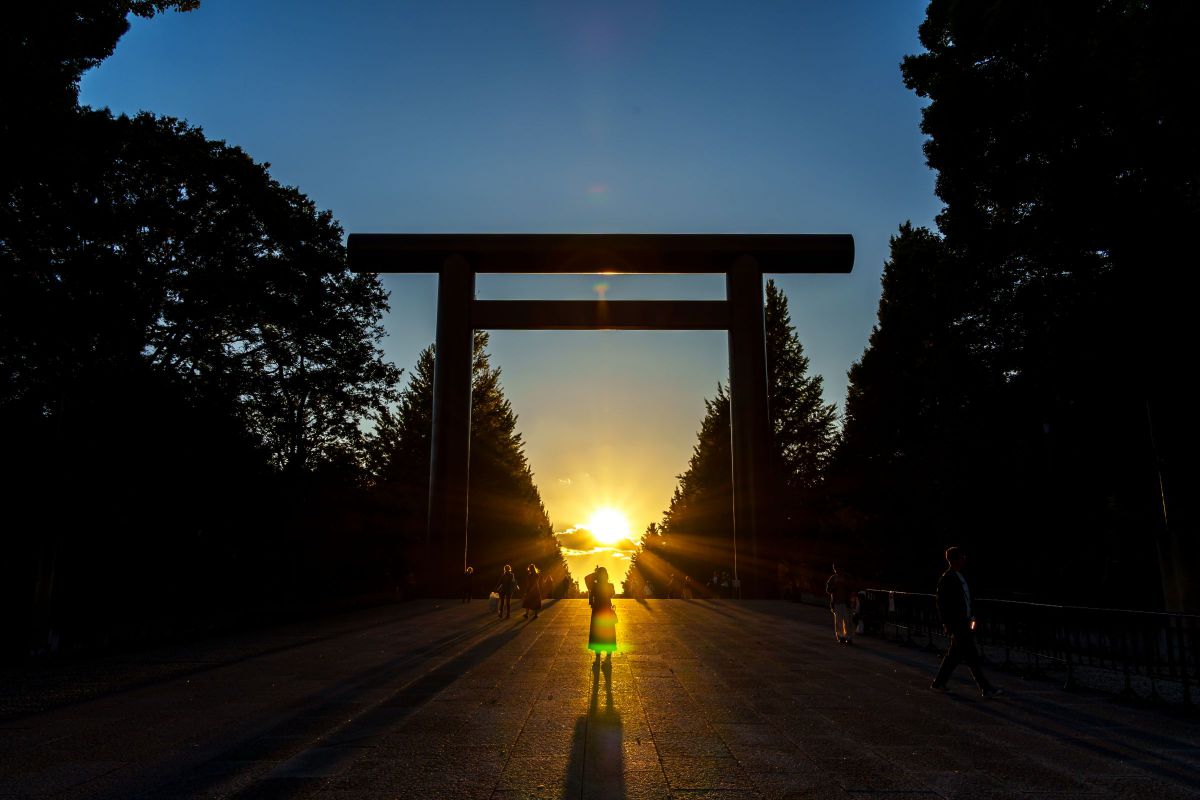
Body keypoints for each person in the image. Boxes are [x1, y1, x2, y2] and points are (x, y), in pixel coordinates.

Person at [931, 547, 1002, 698]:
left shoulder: (954, 577)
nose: (964, 559)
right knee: (970, 655)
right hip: (958, 623)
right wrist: (948, 623)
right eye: (962, 557)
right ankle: (985, 687)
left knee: (956, 655)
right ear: (956, 559)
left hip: (962, 622)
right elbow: (942, 603)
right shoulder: (950, 578)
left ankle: (939, 683)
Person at [586, 565, 617, 663]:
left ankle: (598, 656)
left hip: (597, 611)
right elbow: (612, 594)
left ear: (597, 575)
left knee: (597, 632)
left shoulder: (594, 586)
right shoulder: (610, 585)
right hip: (607, 610)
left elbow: (586, 578)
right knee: (609, 632)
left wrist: (596, 574)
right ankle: (608, 655)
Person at [826, 563, 853, 643]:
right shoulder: (833, 578)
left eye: (838, 568)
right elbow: (828, 590)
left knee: (848, 620)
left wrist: (845, 585)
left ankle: (849, 637)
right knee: (839, 621)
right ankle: (841, 636)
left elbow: (852, 587)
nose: (837, 570)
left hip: (846, 603)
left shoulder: (847, 577)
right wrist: (834, 587)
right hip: (837, 603)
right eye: (836, 568)